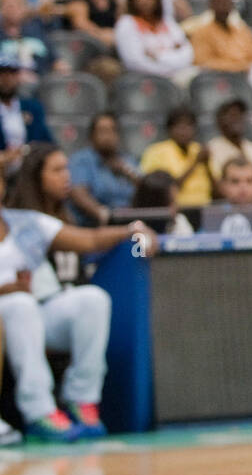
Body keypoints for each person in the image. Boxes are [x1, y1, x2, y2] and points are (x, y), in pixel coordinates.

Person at [0, 154, 157, 441]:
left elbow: (91, 239)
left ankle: (82, 398)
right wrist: (8, 289)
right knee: (20, 305)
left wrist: (133, 229)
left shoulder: (27, 223)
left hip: (38, 312)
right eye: (57, 169)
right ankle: (39, 411)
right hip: (8, 317)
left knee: (92, 299)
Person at [114, 0, 194, 82]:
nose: (144, 0)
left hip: (177, 75)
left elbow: (187, 54)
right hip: (144, 80)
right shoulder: (126, 24)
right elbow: (135, 62)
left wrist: (158, 57)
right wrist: (170, 56)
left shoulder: (167, 23)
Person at [68, 114, 140, 225]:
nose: (108, 136)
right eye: (102, 131)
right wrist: (103, 214)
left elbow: (146, 189)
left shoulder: (128, 160)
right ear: (92, 136)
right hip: (95, 226)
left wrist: (127, 172)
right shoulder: (81, 160)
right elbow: (78, 194)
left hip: (130, 222)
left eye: (112, 131)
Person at [140, 109, 213, 216]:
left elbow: (217, 191)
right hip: (174, 213)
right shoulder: (156, 152)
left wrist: (207, 165)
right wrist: (195, 163)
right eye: (179, 126)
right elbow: (160, 192)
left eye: (189, 126)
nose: (184, 131)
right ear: (169, 129)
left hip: (206, 211)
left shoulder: (200, 150)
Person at [183, 0, 252, 73]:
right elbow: (202, 62)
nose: (223, 8)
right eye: (219, 3)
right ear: (211, 6)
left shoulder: (242, 30)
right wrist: (238, 67)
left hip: (246, 77)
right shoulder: (201, 32)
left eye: (226, 4)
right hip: (218, 78)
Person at [0, 55, 53, 176]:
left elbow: (47, 142)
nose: (6, 79)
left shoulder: (33, 107)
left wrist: (26, 151)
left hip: (29, 171)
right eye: (2, 74)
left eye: (11, 73)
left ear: (17, 76)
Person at [205, 97, 252, 180]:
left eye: (240, 114)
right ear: (220, 121)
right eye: (232, 115)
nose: (238, 119)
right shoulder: (210, 149)